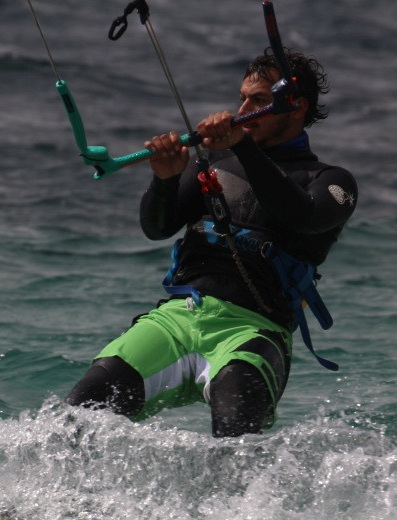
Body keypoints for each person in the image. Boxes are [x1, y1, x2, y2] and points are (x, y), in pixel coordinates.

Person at [66, 49, 358, 436]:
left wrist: (242, 145)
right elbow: (157, 227)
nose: (243, 108)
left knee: (238, 421)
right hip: (179, 317)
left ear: (296, 106)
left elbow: (301, 216)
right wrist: (166, 179)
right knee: (81, 411)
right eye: (243, 98)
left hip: (254, 331)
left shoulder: (331, 181)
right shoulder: (216, 163)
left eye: (258, 100)